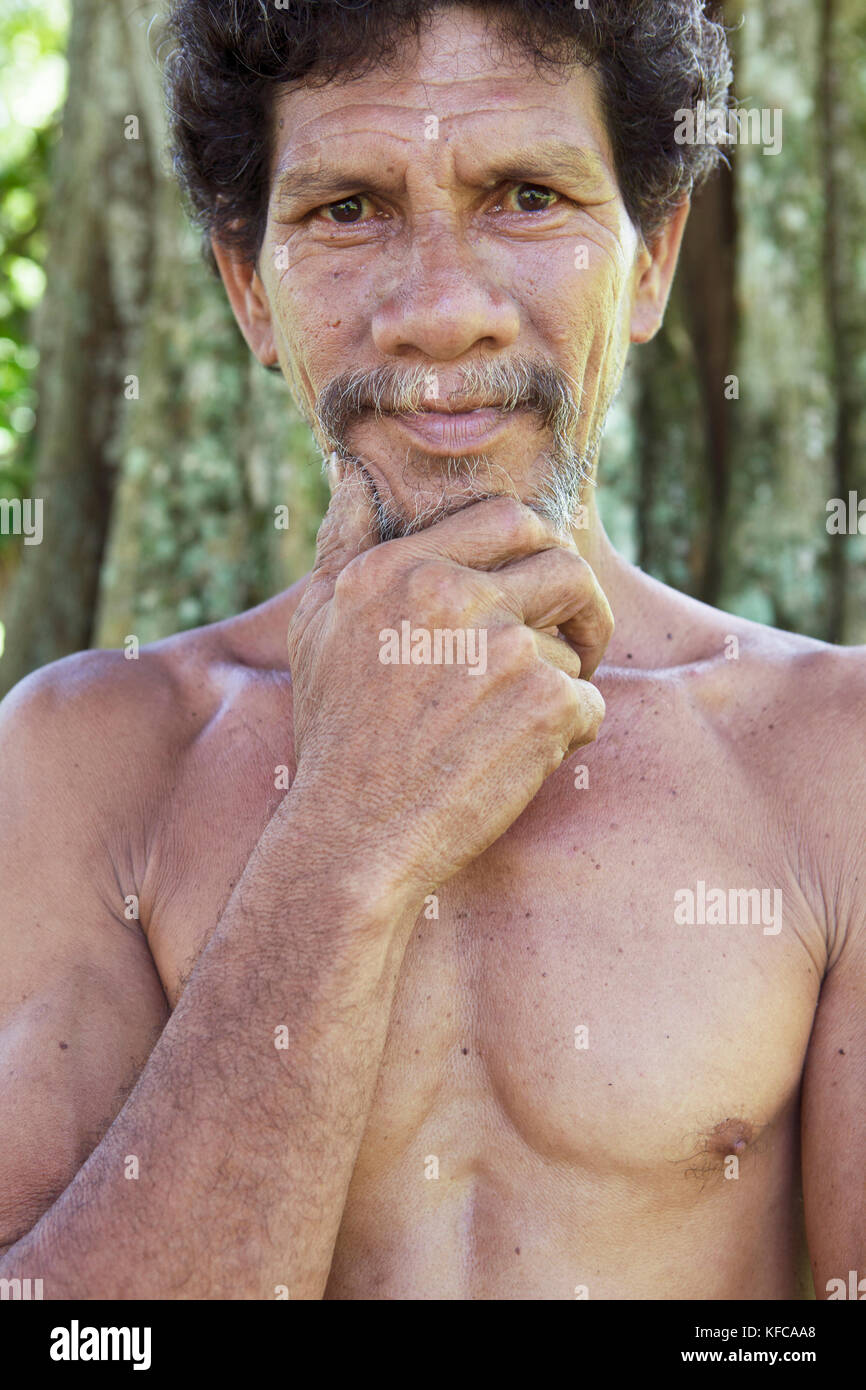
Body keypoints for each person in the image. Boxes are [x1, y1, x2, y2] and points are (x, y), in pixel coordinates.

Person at [0, 1, 862, 1300]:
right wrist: (349, 827)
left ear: (647, 263)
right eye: (347, 209)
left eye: (524, 195)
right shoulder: (81, 760)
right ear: (248, 287)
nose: (441, 313)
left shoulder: (828, 759)